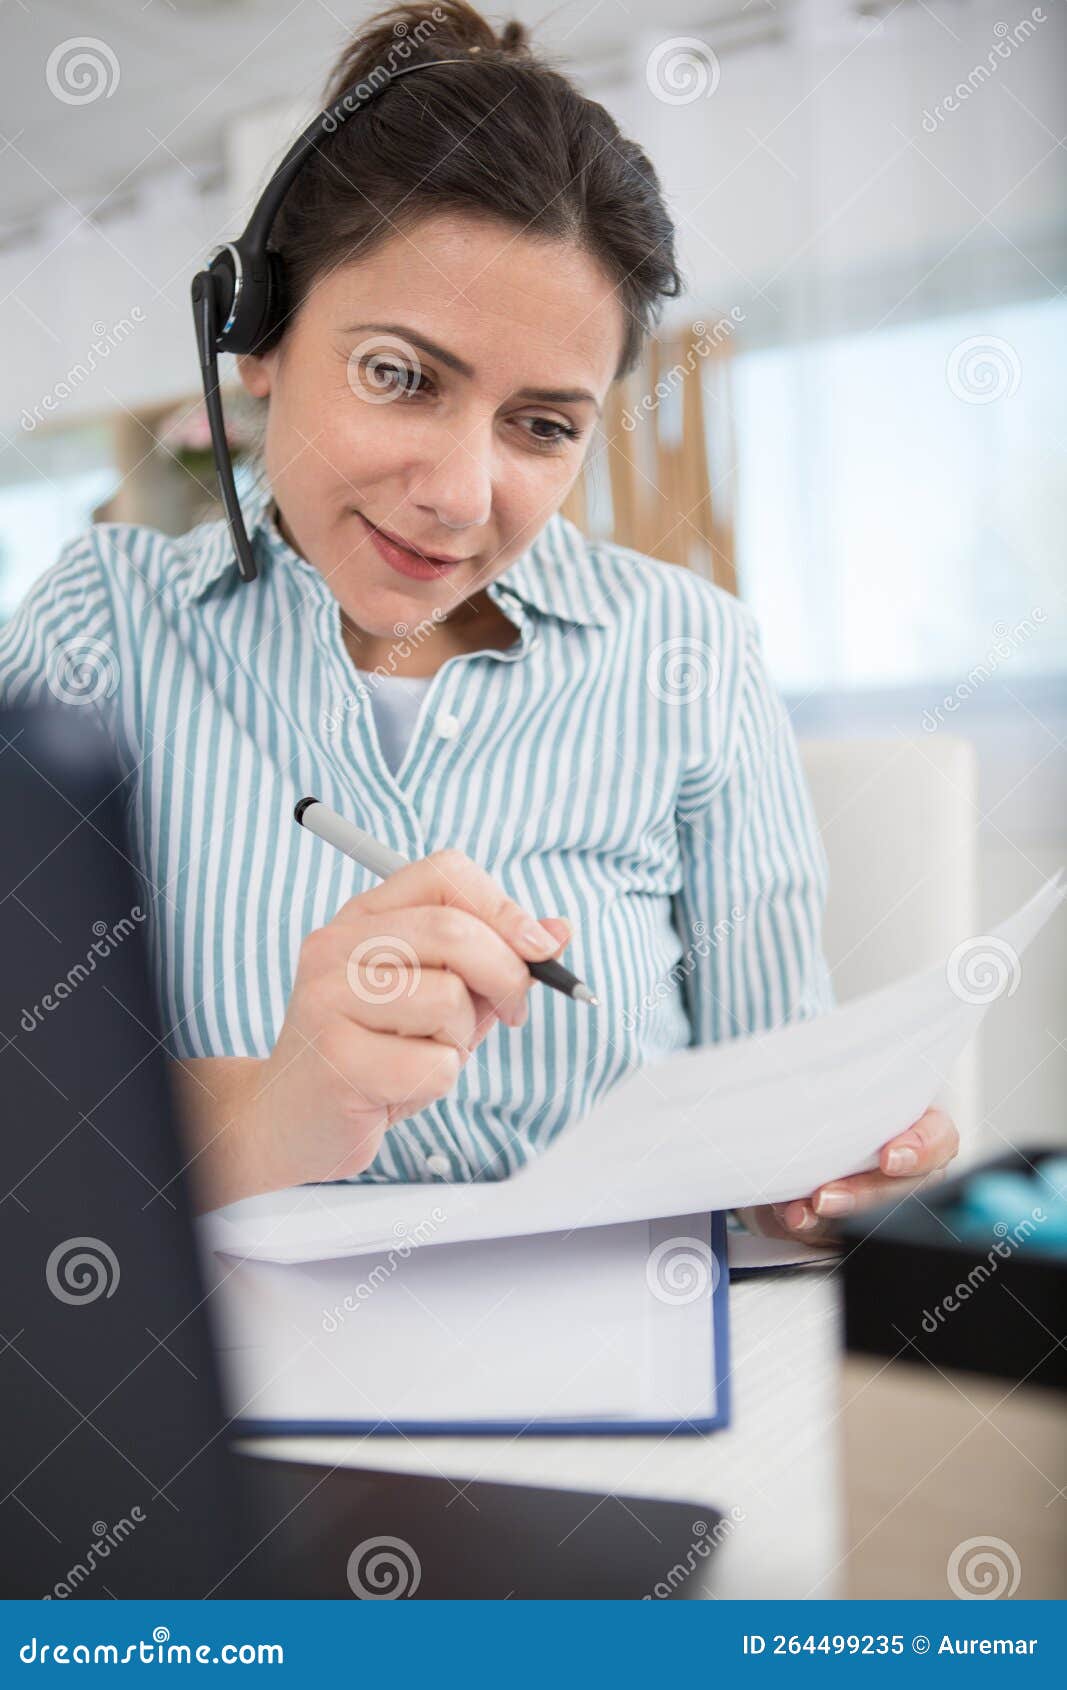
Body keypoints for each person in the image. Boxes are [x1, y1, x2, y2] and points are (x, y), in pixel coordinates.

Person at [0, 2, 956, 1229]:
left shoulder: (688, 653)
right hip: (202, 1396)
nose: (458, 495)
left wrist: (826, 1169)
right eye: (400, 375)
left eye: (542, 424)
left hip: (625, 1366)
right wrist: (272, 1108)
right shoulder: (102, 626)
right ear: (256, 338)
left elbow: (772, 1125)